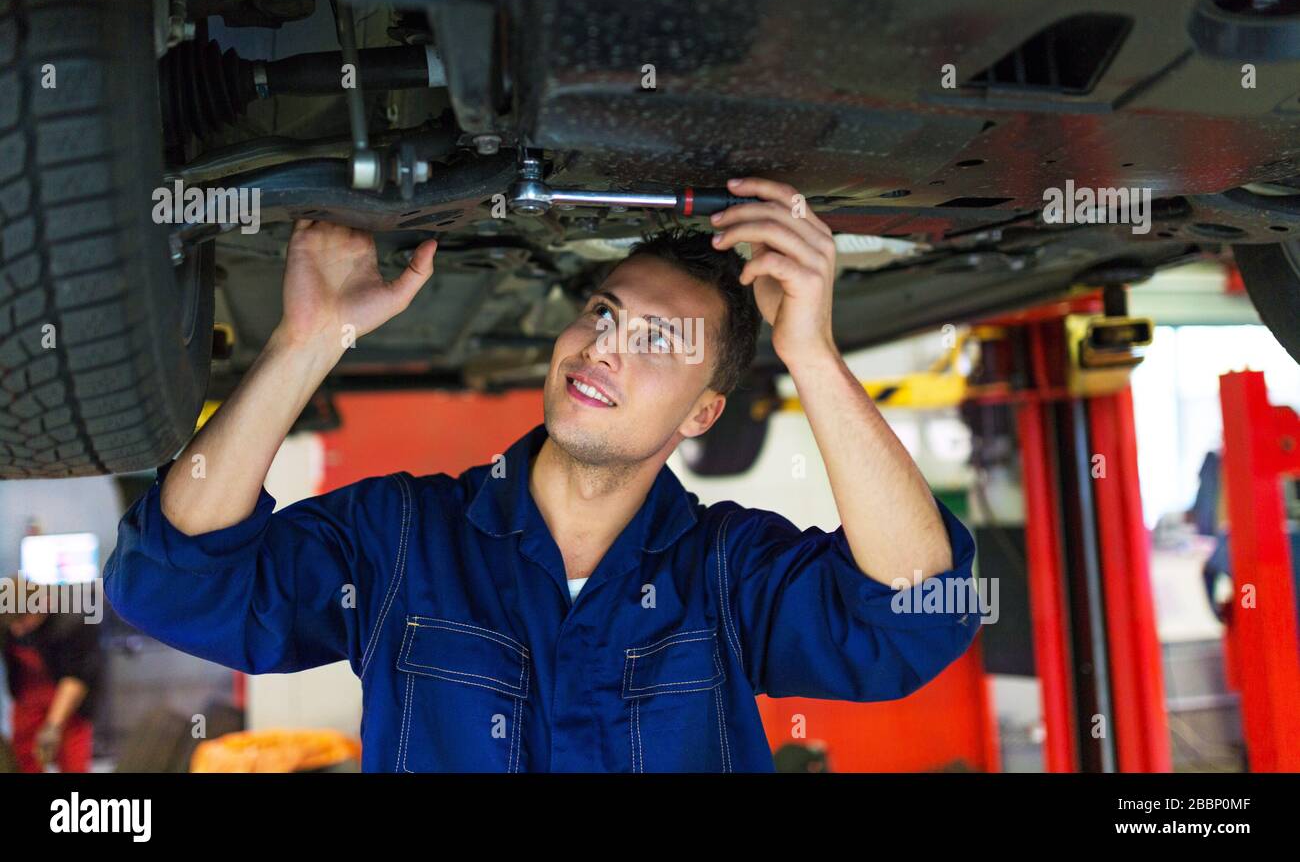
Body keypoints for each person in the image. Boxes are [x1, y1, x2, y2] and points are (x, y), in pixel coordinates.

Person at [106, 177, 982, 772]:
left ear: (702, 414)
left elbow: (911, 617)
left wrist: (813, 354)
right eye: (604, 312)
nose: (603, 345)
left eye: (655, 341)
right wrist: (307, 343)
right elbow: (173, 585)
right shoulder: (405, 541)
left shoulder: (724, 573)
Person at [0, 581, 102, 773]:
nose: (17, 630)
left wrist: (53, 727)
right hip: (27, 699)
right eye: (12, 624)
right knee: (24, 759)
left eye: (22, 621)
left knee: (73, 761)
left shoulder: (76, 620)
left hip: (66, 700)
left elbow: (76, 677)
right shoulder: (8, 619)